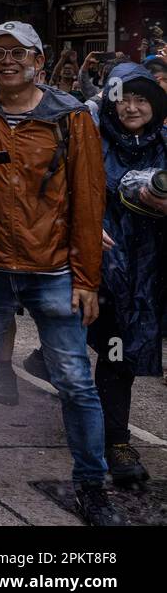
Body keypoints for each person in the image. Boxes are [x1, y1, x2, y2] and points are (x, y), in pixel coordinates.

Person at [0, 21, 121, 525]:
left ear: (39, 61)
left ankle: (90, 483)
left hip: (54, 270)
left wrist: (87, 278)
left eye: (19, 52)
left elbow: (89, 198)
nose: (8, 60)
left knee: (76, 381)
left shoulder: (72, 117)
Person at [87, 62, 167, 485]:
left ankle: (110, 431)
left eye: (141, 99)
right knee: (112, 346)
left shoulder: (166, 143)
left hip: (152, 266)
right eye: (124, 99)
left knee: (128, 350)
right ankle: (115, 439)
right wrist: (86, 223)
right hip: (104, 262)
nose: (132, 108)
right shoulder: (93, 140)